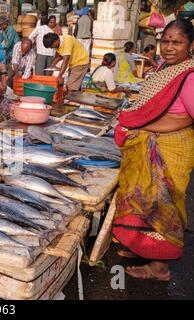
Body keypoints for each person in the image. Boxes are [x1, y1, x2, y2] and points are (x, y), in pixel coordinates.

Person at [113, 19, 194, 281]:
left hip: (171, 150)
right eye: (166, 41)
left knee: (163, 208)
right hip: (155, 143)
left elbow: (187, 117)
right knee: (146, 203)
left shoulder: (189, 76)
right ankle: (146, 248)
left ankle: (160, 268)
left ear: (191, 46)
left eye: (177, 42)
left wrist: (150, 127)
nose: (169, 47)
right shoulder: (167, 69)